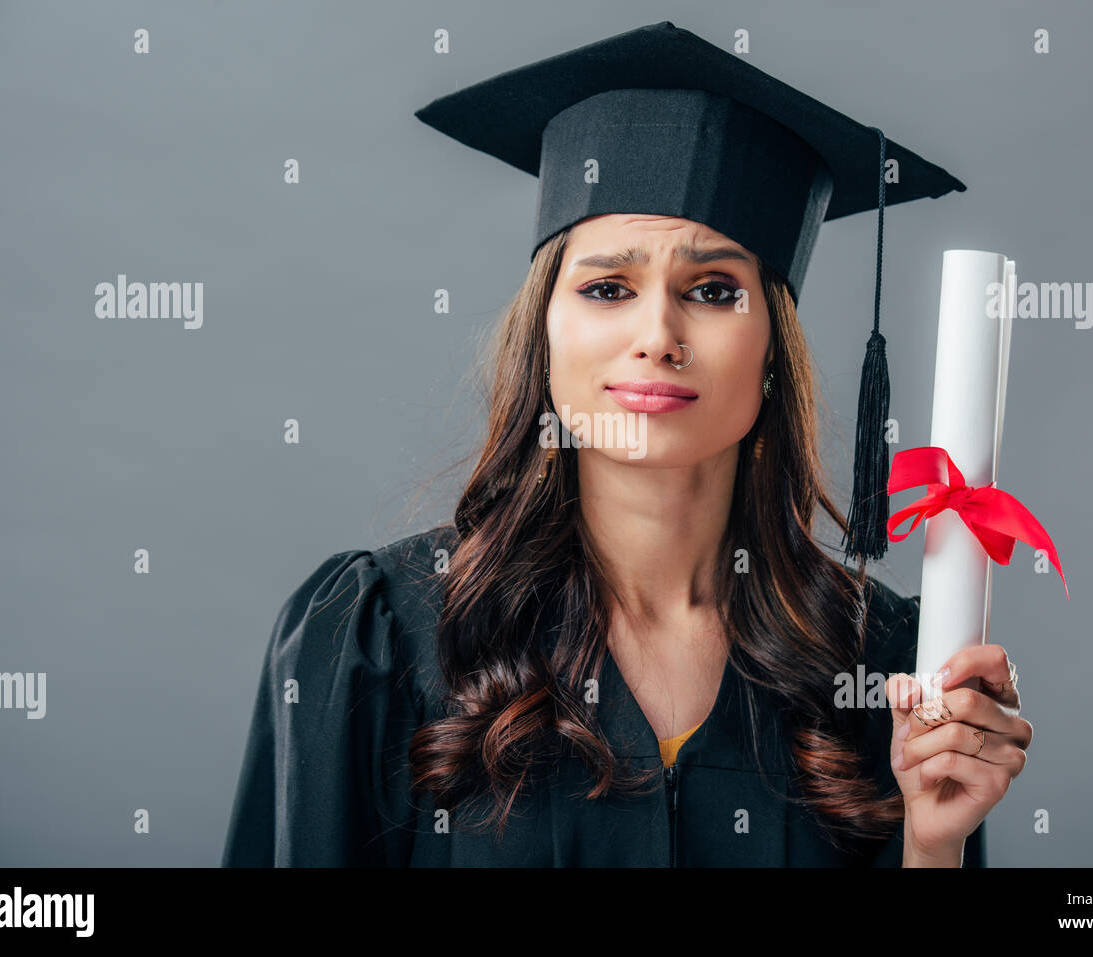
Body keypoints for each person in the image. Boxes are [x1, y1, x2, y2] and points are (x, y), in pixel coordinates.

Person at [222, 21, 1030, 867]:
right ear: (545, 332)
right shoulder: (384, 637)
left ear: (772, 353)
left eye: (713, 290)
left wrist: (934, 845)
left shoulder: (882, 661)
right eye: (608, 286)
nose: (657, 335)